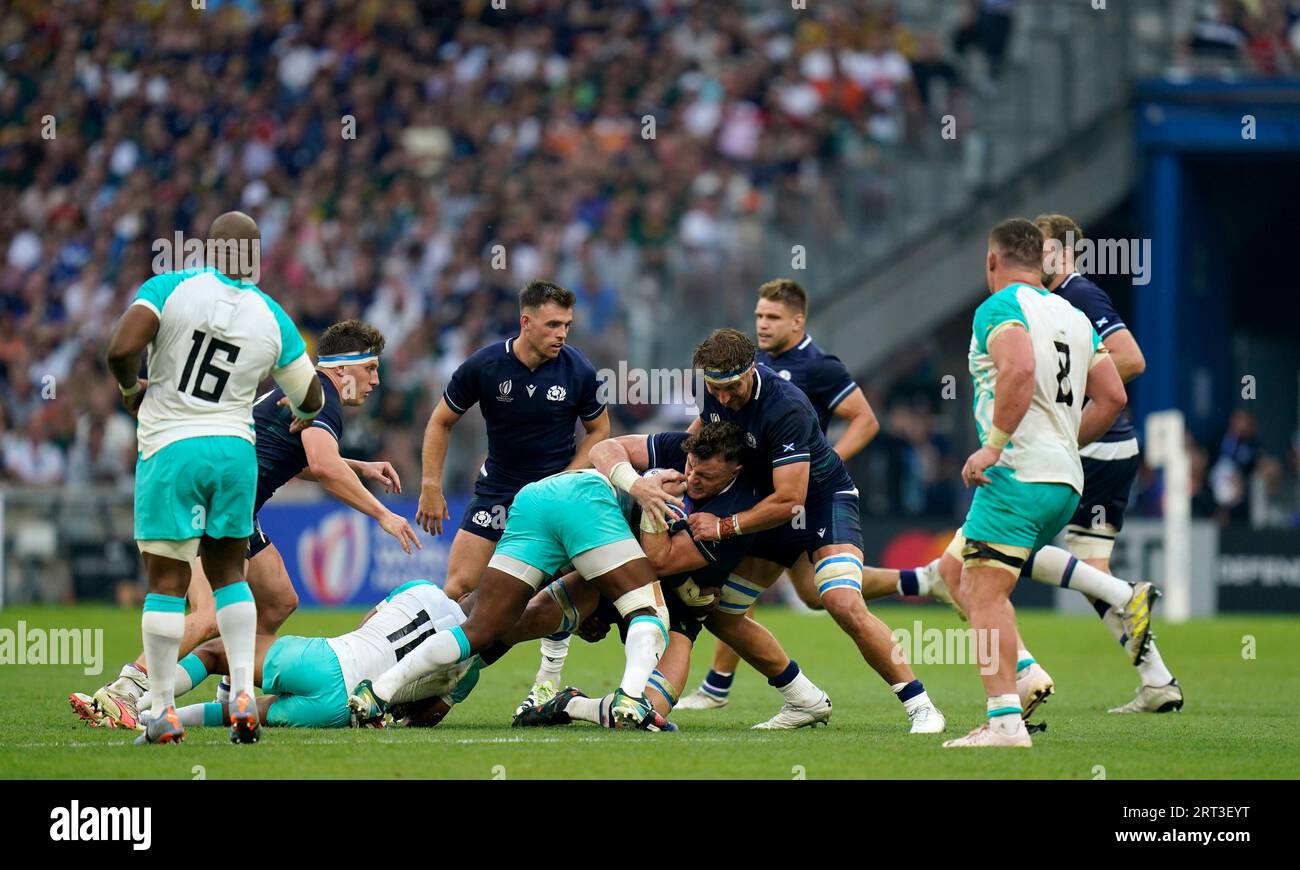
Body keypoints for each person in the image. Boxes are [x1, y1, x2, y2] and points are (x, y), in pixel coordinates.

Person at [73, 320, 420, 730]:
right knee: (209, 615)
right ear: (343, 369)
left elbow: (301, 458)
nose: (376, 380)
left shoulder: (305, 388)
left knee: (278, 599)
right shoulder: (323, 396)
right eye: (371, 368)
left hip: (231, 503)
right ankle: (123, 693)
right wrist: (384, 513)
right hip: (212, 499)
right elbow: (325, 467)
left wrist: (359, 466)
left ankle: (229, 689)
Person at [105, 211, 324, 745]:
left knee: (165, 583)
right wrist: (303, 412)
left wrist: (132, 392)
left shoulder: (170, 287)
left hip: (172, 447)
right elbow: (312, 397)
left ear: (208, 248)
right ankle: (242, 697)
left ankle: (160, 711)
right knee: (230, 575)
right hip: (235, 451)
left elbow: (119, 349)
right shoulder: (271, 315)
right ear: (256, 257)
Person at [683, 329, 944, 732]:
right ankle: (803, 700)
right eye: (714, 388)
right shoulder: (716, 391)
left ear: (752, 370)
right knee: (719, 612)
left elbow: (791, 500)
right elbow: (702, 431)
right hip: (769, 505)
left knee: (840, 602)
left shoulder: (786, 406)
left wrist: (724, 525)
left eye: (731, 387)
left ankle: (921, 705)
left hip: (821, 500)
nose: (722, 397)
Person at [941, 218, 1131, 748]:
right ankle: (1022, 676)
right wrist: (1066, 441)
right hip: (1066, 479)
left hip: (1018, 471)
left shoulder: (999, 307)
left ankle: (1004, 722)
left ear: (992, 261)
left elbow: (1019, 370)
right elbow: (1113, 396)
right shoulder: (1072, 313)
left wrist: (994, 444)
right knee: (964, 576)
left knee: (980, 590)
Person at [507, 423, 833, 730]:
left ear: (734, 471)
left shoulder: (735, 508)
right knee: (514, 618)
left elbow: (659, 562)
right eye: (690, 467)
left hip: (679, 610)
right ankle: (468, 656)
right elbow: (604, 450)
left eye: (705, 475)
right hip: (618, 581)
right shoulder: (677, 449)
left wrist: (651, 509)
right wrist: (639, 485)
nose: (693, 478)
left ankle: (570, 705)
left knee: (642, 715)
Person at [680, 278, 880, 711]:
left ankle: (921, 585)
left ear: (797, 320)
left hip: (805, 494)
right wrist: (682, 470)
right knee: (768, 594)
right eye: (758, 316)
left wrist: (821, 461)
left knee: (826, 595)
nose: (763, 324)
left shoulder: (818, 367)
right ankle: (718, 684)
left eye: (772, 317)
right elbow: (703, 431)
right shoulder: (734, 375)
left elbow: (865, 421)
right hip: (772, 497)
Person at [135, 580, 480, 731]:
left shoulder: (422, 588)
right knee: (239, 713)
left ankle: (140, 703)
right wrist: (392, 714)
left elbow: (369, 622)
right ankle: (168, 718)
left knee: (213, 653)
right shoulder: (471, 667)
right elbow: (429, 715)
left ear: (464, 594)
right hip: (339, 712)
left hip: (328, 659)